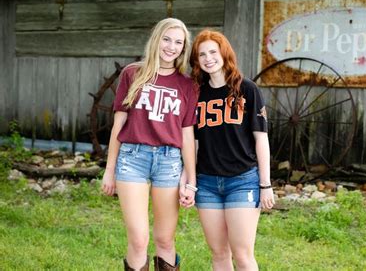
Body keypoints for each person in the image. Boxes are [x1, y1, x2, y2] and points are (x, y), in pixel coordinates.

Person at [101, 18, 198, 271]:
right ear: (157, 39)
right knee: (139, 238)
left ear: (184, 48)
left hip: (168, 161)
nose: (171, 47)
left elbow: (187, 135)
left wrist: (190, 179)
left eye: (178, 42)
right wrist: (109, 170)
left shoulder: (187, 85)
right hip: (132, 157)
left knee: (165, 238)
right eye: (167, 39)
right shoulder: (132, 73)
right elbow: (118, 125)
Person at [190, 29, 275, 271]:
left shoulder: (247, 89)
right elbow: (193, 142)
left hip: (242, 180)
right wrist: (190, 180)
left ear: (224, 53)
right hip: (207, 183)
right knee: (219, 253)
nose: (208, 58)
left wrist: (265, 184)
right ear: (197, 60)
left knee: (242, 254)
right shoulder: (197, 93)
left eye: (213, 52)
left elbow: (261, 139)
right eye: (202, 54)